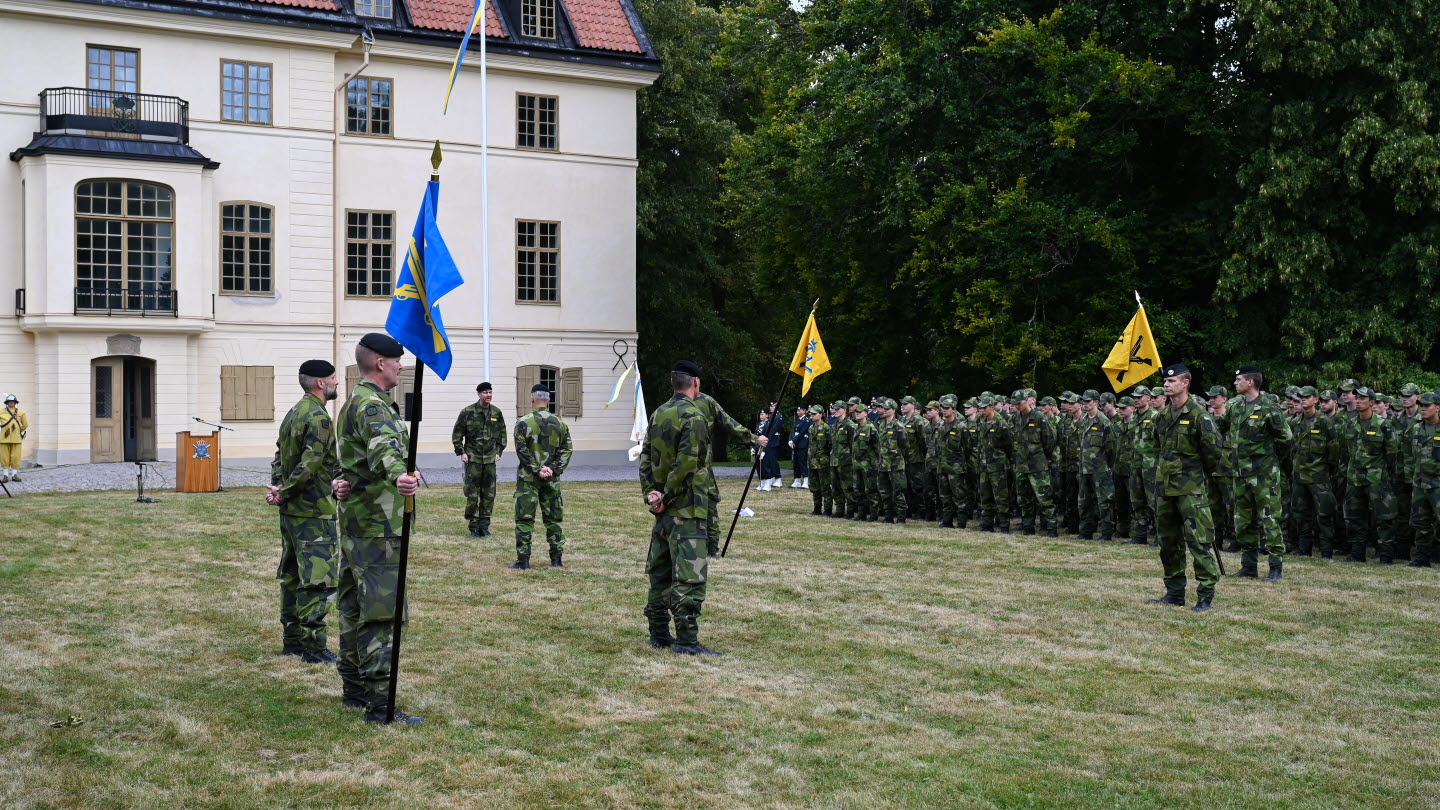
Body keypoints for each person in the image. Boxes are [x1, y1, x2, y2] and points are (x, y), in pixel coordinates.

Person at [332, 333, 422, 725]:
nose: (401, 366)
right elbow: (384, 448)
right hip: (378, 525)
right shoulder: (373, 407)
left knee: (353, 605)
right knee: (381, 614)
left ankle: (353, 688)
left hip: (357, 522)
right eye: (397, 361)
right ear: (381, 363)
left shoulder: (355, 402)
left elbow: (350, 458)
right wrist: (400, 476)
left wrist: (341, 479)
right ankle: (380, 703)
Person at [639, 360, 719, 655]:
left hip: (663, 512)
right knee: (689, 575)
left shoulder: (659, 414)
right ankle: (686, 641)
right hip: (687, 509)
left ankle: (658, 633)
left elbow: (645, 457)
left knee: (660, 572)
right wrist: (667, 496)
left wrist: (652, 495)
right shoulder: (694, 417)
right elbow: (687, 463)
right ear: (695, 384)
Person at [267, 360, 341, 664]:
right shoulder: (318, 417)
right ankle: (313, 647)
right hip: (313, 512)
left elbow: (278, 456)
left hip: (292, 511)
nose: (338, 383)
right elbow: (308, 465)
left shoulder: (293, 413)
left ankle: (292, 641)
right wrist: (283, 491)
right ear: (321, 383)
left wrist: (278, 490)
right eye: (334, 378)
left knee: (292, 576)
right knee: (316, 580)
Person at [1148, 364, 1223, 612]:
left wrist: (1197, 476)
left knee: (1199, 543)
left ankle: (1205, 596)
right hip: (1166, 489)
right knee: (1169, 543)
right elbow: (1159, 448)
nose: (1167, 385)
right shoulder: (1162, 416)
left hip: (1191, 490)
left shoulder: (1200, 416)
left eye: (1172, 382)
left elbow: (1213, 453)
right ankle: (1174, 592)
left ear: (1185, 383)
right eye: (1165, 382)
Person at [1225, 366, 1293, 581]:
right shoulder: (1235, 407)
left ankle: (1275, 567)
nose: (1235, 383)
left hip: (1264, 475)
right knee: (1243, 521)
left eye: (1239, 380)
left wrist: (1269, 459)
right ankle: (1249, 566)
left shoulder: (1268, 408)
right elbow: (1220, 427)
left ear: (1251, 382)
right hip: (1241, 474)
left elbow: (1286, 438)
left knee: (1269, 520)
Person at [691, 383, 766, 554]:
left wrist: (754, 438)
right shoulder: (672, 406)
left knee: (709, 505)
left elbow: (728, 422)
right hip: (684, 468)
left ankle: (711, 549)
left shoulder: (706, 401)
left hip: (702, 466)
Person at [511, 383, 573, 569]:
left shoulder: (523, 423)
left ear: (532, 398)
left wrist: (537, 469)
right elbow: (566, 450)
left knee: (524, 519)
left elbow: (521, 451)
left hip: (528, 480)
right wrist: (551, 469)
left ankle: (523, 560)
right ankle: (556, 559)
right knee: (553, 519)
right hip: (551, 480)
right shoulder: (560, 424)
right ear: (549, 400)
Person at [1342, 387, 1399, 563]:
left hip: (1377, 479)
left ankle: (1386, 555)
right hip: (1355, 479)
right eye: (1356, 397)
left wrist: (1381, 472)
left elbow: (1392, 454)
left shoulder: (1383, 425)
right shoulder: (1350, 424)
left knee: (1384, 517)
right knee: (1355, 517)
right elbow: (1345, 452)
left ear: (1372, 402)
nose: (1357, 400)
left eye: (1362, 398)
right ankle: (1357, 554)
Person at [451, 382, 506, 538]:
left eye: (490, 392)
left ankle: (484, 526)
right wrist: (461, 452)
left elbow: (502, 433)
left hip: (489, 460)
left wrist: (499, 451)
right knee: (473, 493)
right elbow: (457, 434)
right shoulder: (468, 412)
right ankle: (474, 526)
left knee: (489, 494)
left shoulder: (496, 413)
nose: (488, 395)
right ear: (478, 394)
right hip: (473, 459)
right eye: (485, 392)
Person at [1291, 386, 1340, 559]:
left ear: (1316, 399)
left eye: (1307, 397)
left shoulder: (1324, 422)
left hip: (1319, 476)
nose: (1303, 400)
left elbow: (1333, 450)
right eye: (1301, 397)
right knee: (1301, 515)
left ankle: (1326, 552)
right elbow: (1291, 449)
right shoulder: (1295, 423)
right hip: (1299, 476)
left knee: (1324, 514)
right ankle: (1305, 550)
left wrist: (1329, 471)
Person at [1012, 389, 1057, 536]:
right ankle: (1028, 527)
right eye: (1014, 404)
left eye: (1019, 403)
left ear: (1026, 400)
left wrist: (1042, 456)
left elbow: (1049, 440)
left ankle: (1051, 528)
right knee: (1024, 499)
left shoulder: (1039, 417)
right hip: (1021, 465)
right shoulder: (1015, 418)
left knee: (1044, 498)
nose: (1017, 406)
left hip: (1038, 465)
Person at [1076, 390, 1117, 541]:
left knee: (1104, 501)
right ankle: (1086, 532)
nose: (1085, 404)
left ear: (1095, 402)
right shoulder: (1084, 420)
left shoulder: (1104, 421)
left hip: (1100, 469)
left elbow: (1112, 448)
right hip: (1085, 468)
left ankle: (1106, 533)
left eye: (1088, 401)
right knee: (1085, 501)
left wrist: (1107, 465)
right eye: (1084, 402)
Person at [1406, 391, 1440, 568]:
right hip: (1420, 484)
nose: (1423, 408)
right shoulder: (1417, 428)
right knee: (1421, 523)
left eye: (1427, 405)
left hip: (1438, 485)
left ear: (1437, 408)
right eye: (1422, 405)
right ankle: (1421, 559)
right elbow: (1413, 456)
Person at [806, 405, 831, 515]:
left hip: (822, 462)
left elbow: (830, 445)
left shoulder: (826, 428)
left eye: (814, 414)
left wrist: (826, 457)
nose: (812, 416)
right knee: (814, 487)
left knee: (825, 487)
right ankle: (817, 508)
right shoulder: (811, 428)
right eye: (811, 414)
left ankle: (827, 509)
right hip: (812, 462)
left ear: (821, 414)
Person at [0, 394, 27, 483]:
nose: (11, 403)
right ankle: (5, 476)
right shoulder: (1, 411)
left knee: (15, 457)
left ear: (15, 403)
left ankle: (14, 475)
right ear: (7, 403)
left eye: (13, 401)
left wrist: (18, 431)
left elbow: (25, 424)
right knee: (4, 457)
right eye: (9, 401)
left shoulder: (21, 412)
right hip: (4, 439)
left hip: (16, 439)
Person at [789, 404, 810, 488]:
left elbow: (802, 433)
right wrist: (790, 440)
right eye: (797, 410)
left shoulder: (807, 420)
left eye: (800, 410)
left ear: (804, 411)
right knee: (796, 463)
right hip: (796, 445)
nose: (798, 412)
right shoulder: (797, 421)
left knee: (802, 462)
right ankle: (797, 479)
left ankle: (806, 480)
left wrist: (793, 440)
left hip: (802, 444)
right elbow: (792, 431)